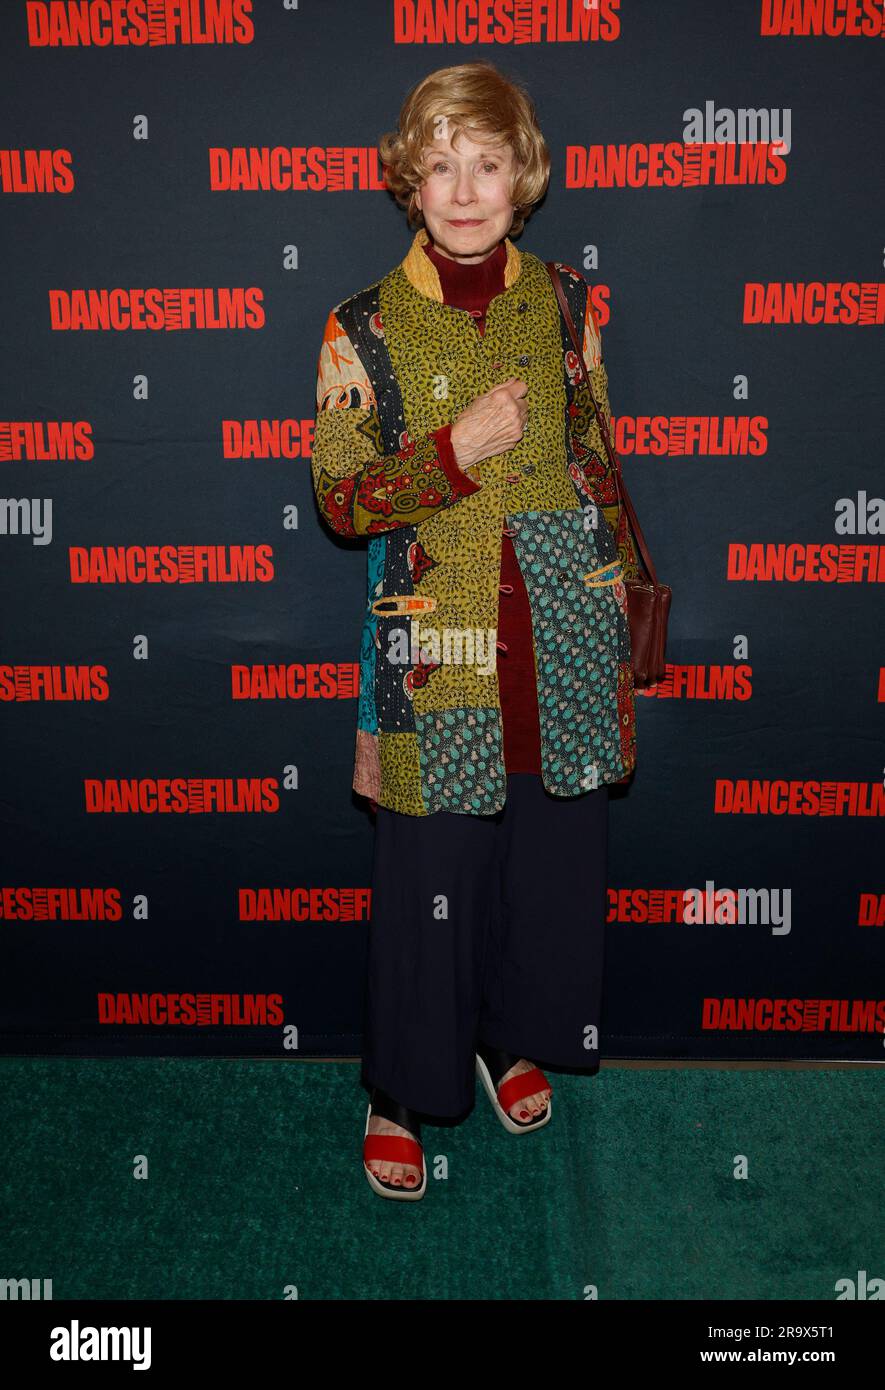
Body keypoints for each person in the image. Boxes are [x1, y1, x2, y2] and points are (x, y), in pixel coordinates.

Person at [311, 61, 641, 1200]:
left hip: (555, 634)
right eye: (440, 165)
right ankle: (402, 1089)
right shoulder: (362, 324)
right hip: (434, 638)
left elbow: (596, 456)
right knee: (431, 875)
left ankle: (509, 1034)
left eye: (486, 163)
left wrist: (615, 592)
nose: (464, 188)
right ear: (409, 183)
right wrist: (455, 452)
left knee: (542, 862)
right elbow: (341, 501)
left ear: (523, 177)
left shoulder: (566, 302)